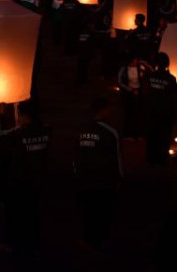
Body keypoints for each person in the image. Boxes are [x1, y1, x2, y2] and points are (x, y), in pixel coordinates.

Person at [0, 100, 52, 260]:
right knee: (32, 214)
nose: (18, 117)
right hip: (37, 180)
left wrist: (1, 115)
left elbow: (1, 135)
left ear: (26, 116)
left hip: (19, 180)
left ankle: (13, 244)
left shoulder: (20, 133)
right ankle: (34, 245)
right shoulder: (47, 130)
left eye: (20, 114)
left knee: (15, 214)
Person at [74, 97, 123, 250]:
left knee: (88, 210)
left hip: (86, 178)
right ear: (104, 110)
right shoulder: (111, 132)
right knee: (104, 211)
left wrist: (77, 173)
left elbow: (77, 155)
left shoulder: (83, 130)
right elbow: (117, 157)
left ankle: (88, 238)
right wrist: (119, 177)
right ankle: (101, 239)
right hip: (104, 180)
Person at [143, 51, 177, 166]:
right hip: (165, 114)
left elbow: (144, 93)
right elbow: (175, 95)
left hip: (151, 112)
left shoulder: (149, 76)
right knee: (163, 137)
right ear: (167, 64)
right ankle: (162, 159)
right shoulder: (171, 79)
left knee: (151, 136)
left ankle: (150, 158)